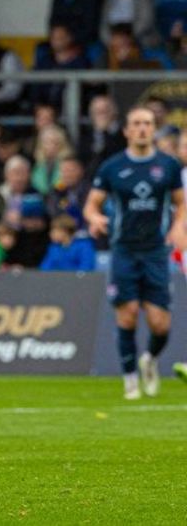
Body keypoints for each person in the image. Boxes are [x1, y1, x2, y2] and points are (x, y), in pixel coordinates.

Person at [84, 106, 186, 400]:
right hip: (123, 250)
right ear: (127, 130)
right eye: (136, 123)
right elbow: (92, 203)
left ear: (153, 129)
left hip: (156, 251)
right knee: (127, 316)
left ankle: (149, 359)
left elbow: (181, 203)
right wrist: (94, 218)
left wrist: (179, 226)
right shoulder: (112, 167)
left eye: (147, 124)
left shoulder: (167, 167)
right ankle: (130, 378)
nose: (142, 128)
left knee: (160, 323)